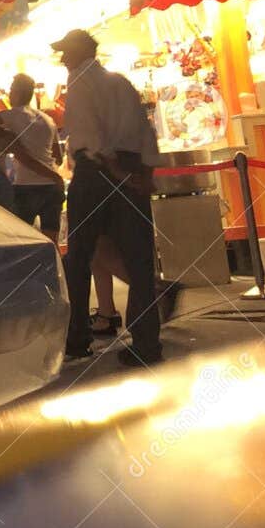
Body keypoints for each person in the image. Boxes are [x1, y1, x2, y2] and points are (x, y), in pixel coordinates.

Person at [54, 28, 168, 367]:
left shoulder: (78, 80)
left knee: (79, 259)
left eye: (65, 52)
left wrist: (114, 171)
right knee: (139, 258)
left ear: (78, 54)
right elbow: (146, 132)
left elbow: (88, 136)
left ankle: (77, 338)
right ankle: (147, 343)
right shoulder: (120, 82)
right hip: (130, 171)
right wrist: (143, 175)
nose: (62, 58)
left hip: (98, 174)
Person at [0, 74, 65, 240]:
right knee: (51, 241)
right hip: (52, 187)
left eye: (11, 90)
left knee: (22, 240)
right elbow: (58, 157)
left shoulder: (10, 115)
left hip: (27, 186)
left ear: (16, 92)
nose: (8, 94)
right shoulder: (48, 120)